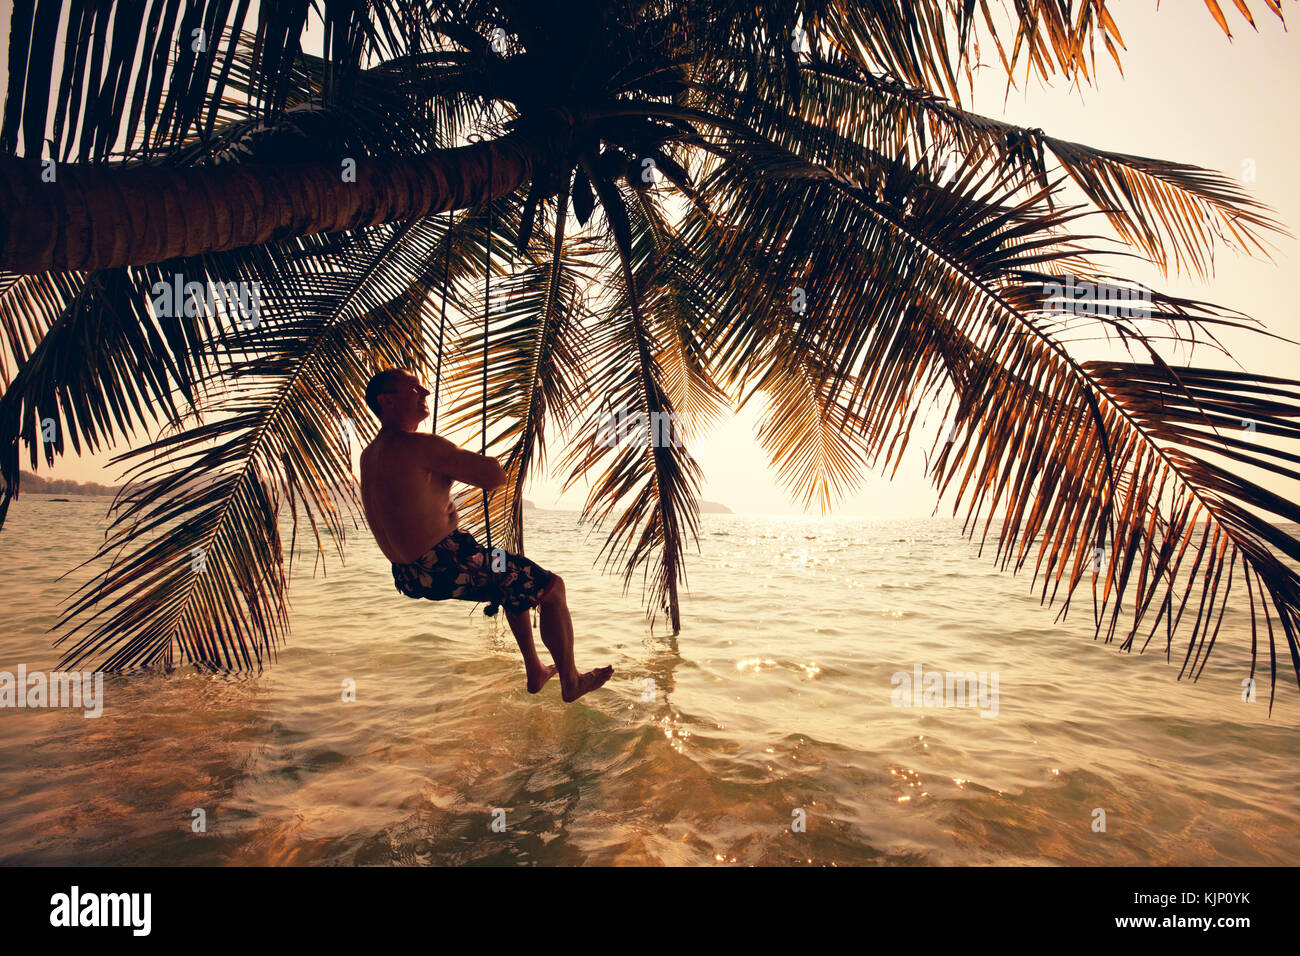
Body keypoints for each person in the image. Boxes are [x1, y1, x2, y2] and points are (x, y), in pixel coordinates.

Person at [358, 368, 614, 702]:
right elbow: (493, 477)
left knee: (511, 579)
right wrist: (488, 461)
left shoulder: (369, 455)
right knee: (553, 588)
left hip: (409, 575)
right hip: (448, 562)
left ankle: (535, 669)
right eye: (414, 388)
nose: (425, 393)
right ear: (387, 401)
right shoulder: (420, 446)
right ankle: (571, 681)